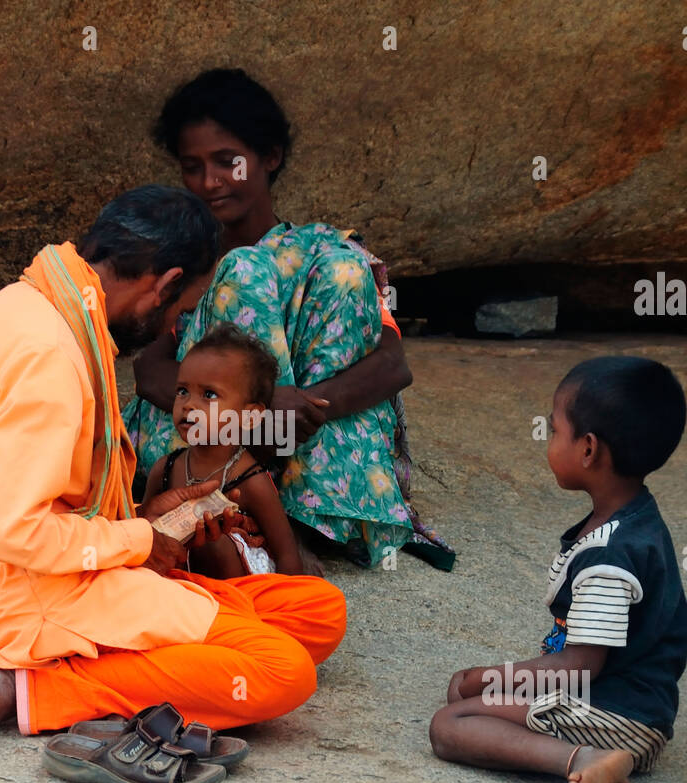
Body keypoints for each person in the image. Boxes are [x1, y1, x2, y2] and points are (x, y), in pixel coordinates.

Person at [0, 185, 346, 757]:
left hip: (78, 573)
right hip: (37, 603)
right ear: (165, 284)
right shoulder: (46, 353)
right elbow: (13, 532)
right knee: (283, 670)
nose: (174, 323)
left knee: (318, 612)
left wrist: (151, 522)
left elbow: (61, 507)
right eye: (181, 308)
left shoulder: (46, 314)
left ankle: (177, 652)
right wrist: (140, 539)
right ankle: (30, 687)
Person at [122, 68, 454, 572]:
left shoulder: (325, 252)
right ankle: (267, 511)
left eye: (226, 162)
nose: (209, 182)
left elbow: (392, 366)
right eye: (192, 167)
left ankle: (279, 506)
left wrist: (292, 410)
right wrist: (245, 408)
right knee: (245, 267)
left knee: (346, 267)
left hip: (294, 433)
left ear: (270, 157)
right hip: (203, 443)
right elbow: (149, 370)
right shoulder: (190, 266)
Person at [429, 356, 687, 783]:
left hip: (620, 718)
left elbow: (580, 665)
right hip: (623, 705)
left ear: (588, 450)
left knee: (452, 722)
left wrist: (494, 677)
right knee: (464, 694)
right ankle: (594, 758)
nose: (548, 440)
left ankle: (585, 760)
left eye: (554, 430)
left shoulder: (611, 556)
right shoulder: (631, 519)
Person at [144, 324, 304, 578]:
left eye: (209, 394)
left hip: (239, 593)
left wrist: (288, 610)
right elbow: (141, 531)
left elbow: (287, 555)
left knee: (213, 540)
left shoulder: (252, 482)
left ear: (250, 416)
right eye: (182, 391)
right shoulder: (165, 469)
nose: (189, 405)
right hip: (179, 588)